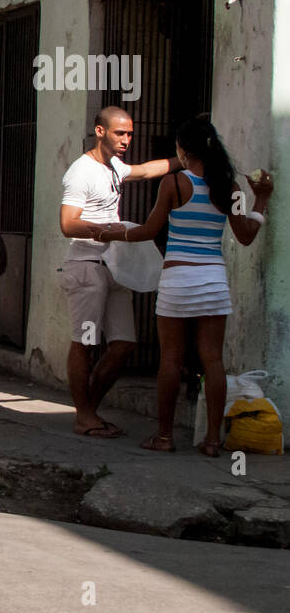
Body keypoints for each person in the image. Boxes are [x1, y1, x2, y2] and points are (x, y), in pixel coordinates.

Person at [93, 117, 273, 456]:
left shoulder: (174, 184)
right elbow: (246, 236)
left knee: (171, 361)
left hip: (177, 280)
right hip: (212, 281)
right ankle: (213, 441)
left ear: (183, 150)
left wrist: (115, 232)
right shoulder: (231, 188)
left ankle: (164, 437)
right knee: (213, 361)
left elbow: (149, 230)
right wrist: (261, 200)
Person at [58, 106, 181, 438]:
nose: (126, 139)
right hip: (87, 267)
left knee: (125, 344)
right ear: (100, 132)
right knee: (84, 342)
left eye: (129, 133)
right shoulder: (80, 171)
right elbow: (67, 224)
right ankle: (85, 416)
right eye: (119, 133)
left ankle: (88, 412)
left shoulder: (113, 165)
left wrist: (184, 159)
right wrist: (107, 231)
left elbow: (143, 171)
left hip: (114, 265)